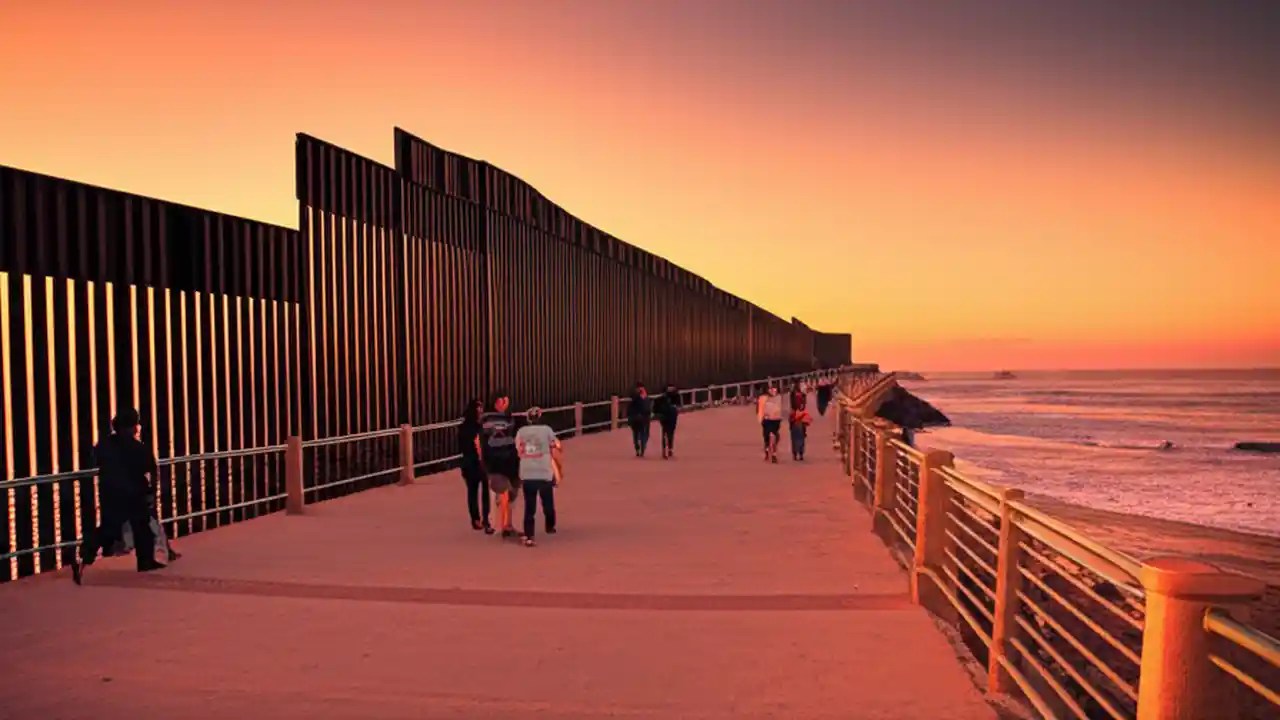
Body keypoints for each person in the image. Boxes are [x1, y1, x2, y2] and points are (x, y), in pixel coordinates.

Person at [72, 408, 165, 584]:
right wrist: (152, 492)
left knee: (108, 528)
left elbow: (96, 460)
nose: (136, 429)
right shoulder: (138, 448)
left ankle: (85, 556)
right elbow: (152, 469)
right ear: (130, 427)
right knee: (142, 527)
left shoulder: (105, 446)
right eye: (134, 425)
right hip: (134, 494)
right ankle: (145, 561)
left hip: (110, 493)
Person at [515, 407, 560, 547]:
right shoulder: (547, 430)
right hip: (544, 471)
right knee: (547, 502)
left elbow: (518, 449)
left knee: (530, 506)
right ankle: (550, 525)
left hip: (527, 472)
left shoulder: (521, 431)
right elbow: (556, 444)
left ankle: (529, 536)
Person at [480, 391, 522, 539]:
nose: (505, 404)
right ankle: (504, 525)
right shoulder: (488, 419)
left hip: (510, 460)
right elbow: (480, 441)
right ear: (497, 402)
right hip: (497, 461)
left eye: (507, 401)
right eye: (503, 401)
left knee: (511, 492)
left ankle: (507, 523)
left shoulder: (509, 418)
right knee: (503, 492)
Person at [458, 398, 494, 534]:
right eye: (478, 409)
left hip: (468, 462)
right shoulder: (478, 427)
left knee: (474, 492)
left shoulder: (464, 426)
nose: (480, 411)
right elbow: (478, 444)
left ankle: (478, 519)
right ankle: (484, 519)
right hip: (477, 462)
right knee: (482, 491)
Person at [653, 382, 682, 460]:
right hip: (665, 417)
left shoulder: (676, 395)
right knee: (665, 432)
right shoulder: (662, 397)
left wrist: (676, 408)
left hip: (672, 417)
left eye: (672, 387)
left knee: (671, 433)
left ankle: (670, 448)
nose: (670, 389)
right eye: (669, 387)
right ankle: (664, 450)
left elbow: (679, 406)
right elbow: (656, 406)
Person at [757, 384, 784, 463]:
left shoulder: (778, 397)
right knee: (767, 436)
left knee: (774, 436)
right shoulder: (763, 398)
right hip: (766, 420)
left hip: (776, 419)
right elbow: (759, 409)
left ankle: (774, 454)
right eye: (770, 389)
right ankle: (767, 450)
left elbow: (781, 408)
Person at [627, 381, 653, 458]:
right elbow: (646, 407)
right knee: (643, 433)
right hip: (642, 417)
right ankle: (641, 447)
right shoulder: (643, 397)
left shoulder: (634, 397)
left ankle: (639, 448)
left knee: (636, 434)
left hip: (635, 417)